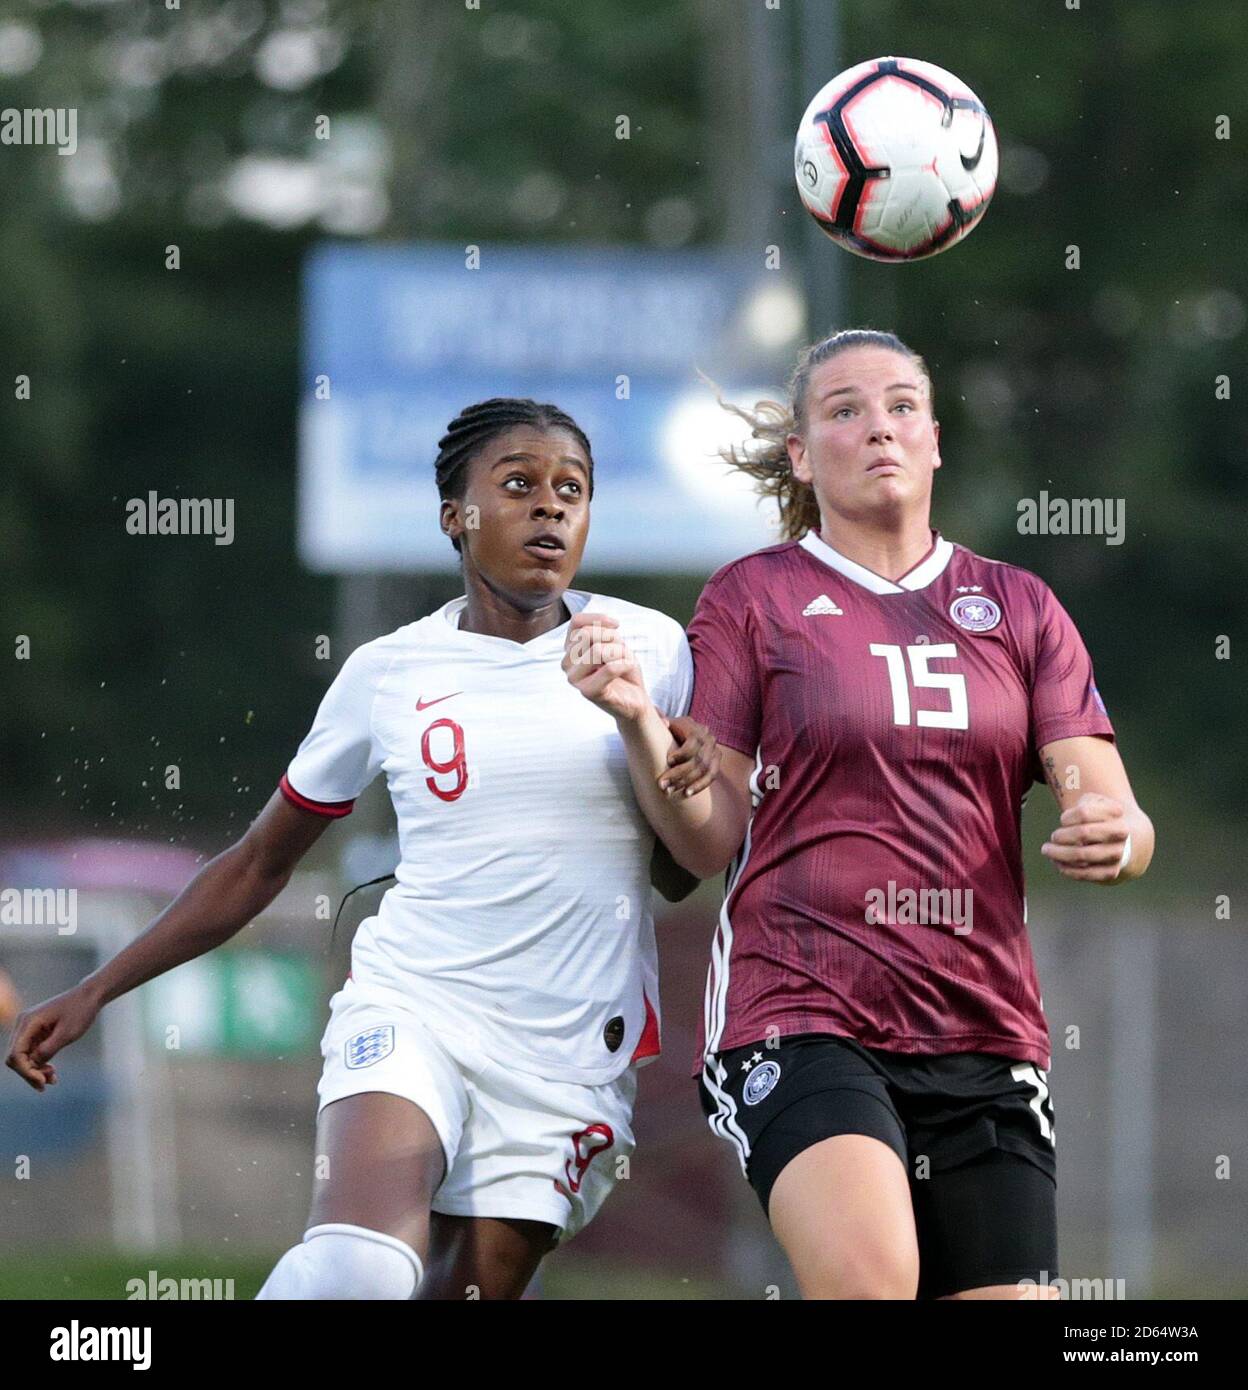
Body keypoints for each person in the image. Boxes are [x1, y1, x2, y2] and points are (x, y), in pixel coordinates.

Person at [5, 397, 718, 1300]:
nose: (550, 507)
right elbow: (260, 860)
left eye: (570, 490)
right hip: (416, 1005)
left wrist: (648, 732)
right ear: (455, 517)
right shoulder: (388, 673)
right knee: (360, 1266)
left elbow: (681, 867)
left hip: (569, 1050)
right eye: (519, 485)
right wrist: (98, 987)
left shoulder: (648, 648)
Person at [566, 329, 1155, 1300]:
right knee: (875, 1282)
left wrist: (1116, 837)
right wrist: (638, 721)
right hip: (801, 1011)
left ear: (934, 439)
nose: (877, 426)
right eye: (843, 409)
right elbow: (707, 835)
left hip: (986, 1032)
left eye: (901, 406)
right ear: (800, 454)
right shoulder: (756, 599)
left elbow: (1118, 813)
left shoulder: (1019, 607)